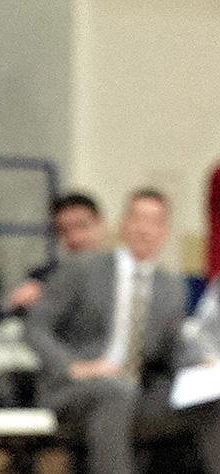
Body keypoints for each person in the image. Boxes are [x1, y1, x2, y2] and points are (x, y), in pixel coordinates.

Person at [26, 189, 220, 474]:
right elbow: (36, 327)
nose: (144, 229)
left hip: (139, 390)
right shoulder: (83, 269)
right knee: (115, 392)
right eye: (137, 218)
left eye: (153, 222)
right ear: (122, 224)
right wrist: (72, 366)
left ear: (163, 232)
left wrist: (200, 365)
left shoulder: (172, 287)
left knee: (212, 398)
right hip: (76, 387)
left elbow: (171, 349)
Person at [5, 190, 105, 312]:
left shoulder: (120, 273)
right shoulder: (44, 277)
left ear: (100, 224)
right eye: (64, 230)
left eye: (82, 226)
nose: (75, 238)